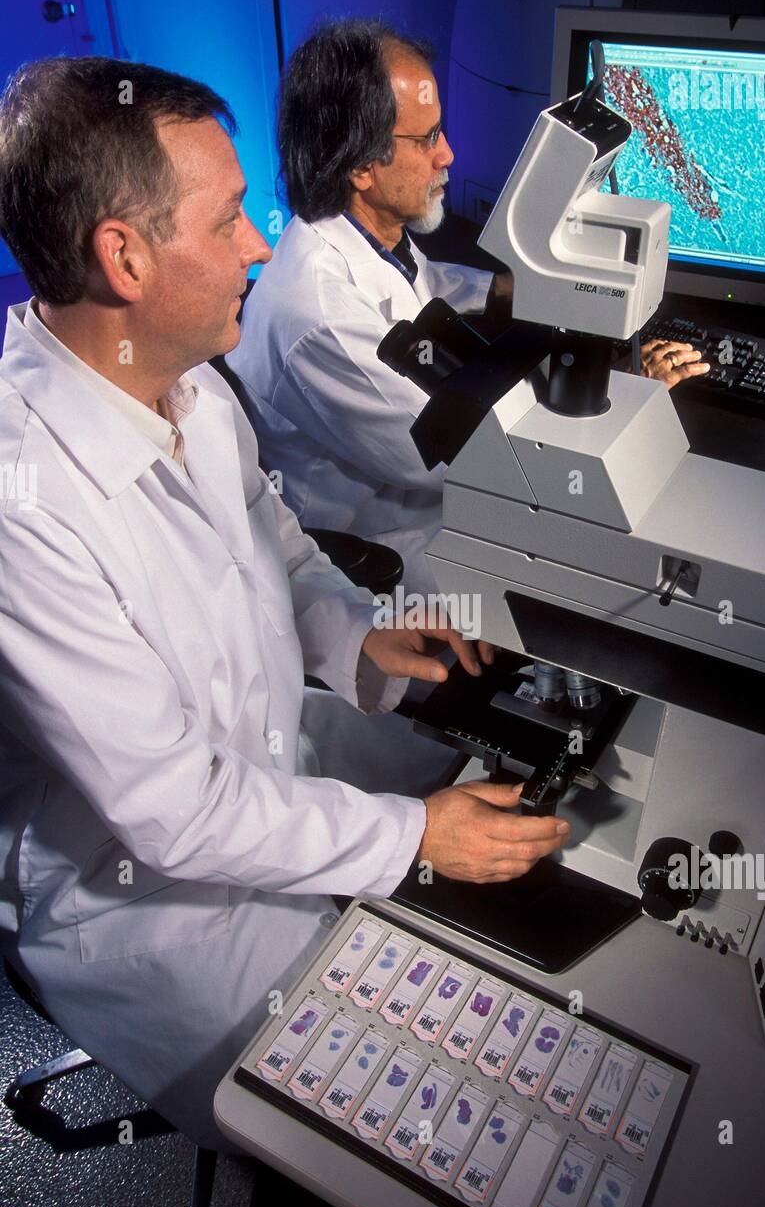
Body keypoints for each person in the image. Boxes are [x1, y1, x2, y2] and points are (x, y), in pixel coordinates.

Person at [0, 57, 568, 1151]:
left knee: (491, 788)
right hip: (145, 897)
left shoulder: (188, 381)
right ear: (123, 255)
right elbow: (175, 812)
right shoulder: (24, 503)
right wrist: (411, 837)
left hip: (267, 753)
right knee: (420, 1111)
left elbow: (280, 541)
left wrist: (359, 634)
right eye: (226, 224)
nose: (260, 245)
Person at [228, 19, 709, 596]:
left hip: (432, 500)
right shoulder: (320, 316)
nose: (448, 154)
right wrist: (627, 389)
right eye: (427, 138)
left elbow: (429, 288)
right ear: (360, 164)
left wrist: (520, 290)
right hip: (393, 544)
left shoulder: (370, 240)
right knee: (618, 566)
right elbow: (469, 458)